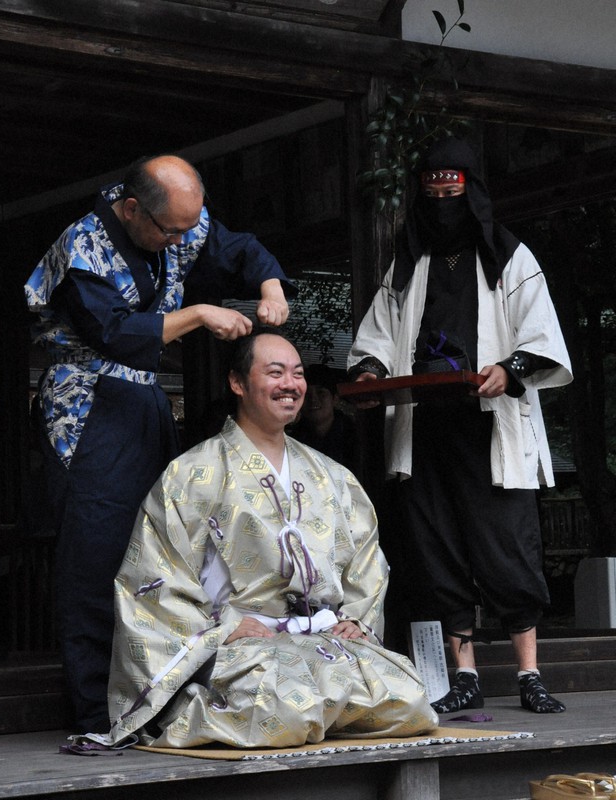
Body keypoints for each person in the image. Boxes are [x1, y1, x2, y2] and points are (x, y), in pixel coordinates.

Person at [24, 154, 294, 733]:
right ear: (131, 209)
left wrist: (269, 286)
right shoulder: (84, 248)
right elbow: (117, 334)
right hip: (91, 403)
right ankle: (98, 709)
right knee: (98, 554)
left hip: (146, 402)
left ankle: (155, 692)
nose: (180, 240)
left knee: (164, 552)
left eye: (186, 227)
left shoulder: (179, 221)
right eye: (170, 230)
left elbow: (235, 246)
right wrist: (198, 312)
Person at [88, 331, 437, 749]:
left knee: (410, 700)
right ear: (238, 383)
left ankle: (323, 707)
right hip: (243, 645)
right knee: (285, 709)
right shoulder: (193, 474)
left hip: (322, 640)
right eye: (275, 372)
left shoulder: (332, 476)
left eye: (298, 373)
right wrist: (223, 629)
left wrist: (356, 619)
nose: (291, 384)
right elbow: (153, 579)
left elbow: (365, 561)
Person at [347, 137, 573, 714]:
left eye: (452, 188)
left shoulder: (509, 255)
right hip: (424, 430)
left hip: (491, 427)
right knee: (437, 548)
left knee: (507, 549)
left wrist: (509, 368)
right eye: (432, 189)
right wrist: (371, 373)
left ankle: (529, 672)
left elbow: (540, 336)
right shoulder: (408, 262)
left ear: (471, 191)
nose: (442, 198)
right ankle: (464, 673)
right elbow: (377, 335)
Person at [290, 363, 356, 470]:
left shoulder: (353, 436)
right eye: (307, 394)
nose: (313, 399)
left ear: (335, 399)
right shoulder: (293, 440)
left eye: (321, 392)